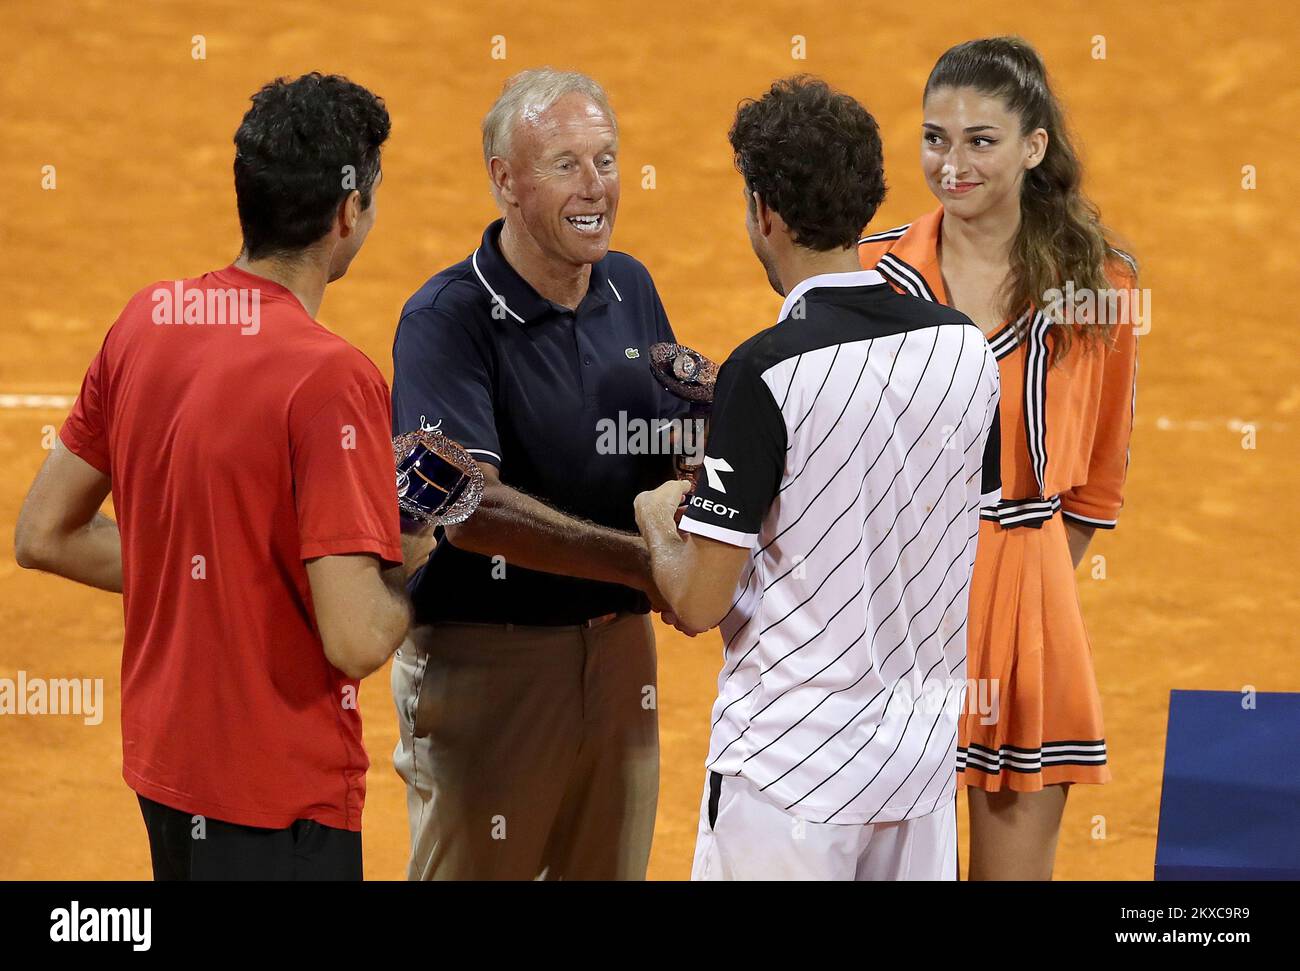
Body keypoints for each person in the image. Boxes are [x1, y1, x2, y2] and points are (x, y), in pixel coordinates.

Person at [14, 73, 429, 880]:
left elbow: (45, 534)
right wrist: (422, 543)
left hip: (168, 780)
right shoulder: (331, 379)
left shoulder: (147, 320)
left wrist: (218, 573)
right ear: (349, 214)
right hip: (280, 808)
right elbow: (356, 637)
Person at [634, 76, 1001, 881]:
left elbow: (697, 600)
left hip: (789, 778)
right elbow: (929, 502)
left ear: (764, 211)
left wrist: (662, 513)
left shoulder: (766, 371)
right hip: (917, 774)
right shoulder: (966, 350)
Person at [389, 68, 688, 880]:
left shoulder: (629, 285)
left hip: (621, 662)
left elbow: (669, 434)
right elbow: (465, 507)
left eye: (607, 159)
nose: (596, 186)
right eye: (565, 164)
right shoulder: (446, 318)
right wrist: (640, 561)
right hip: (490, 668)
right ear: (505, 180)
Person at [858, 36, 1140, 880]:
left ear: (1033, 146)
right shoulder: (871, 274)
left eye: (981, 139)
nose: (953, 163)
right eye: (935, 137)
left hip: (1026, 600)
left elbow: (1097, 480)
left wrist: (1026, 570)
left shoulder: (1101, 285)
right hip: (890, 608)